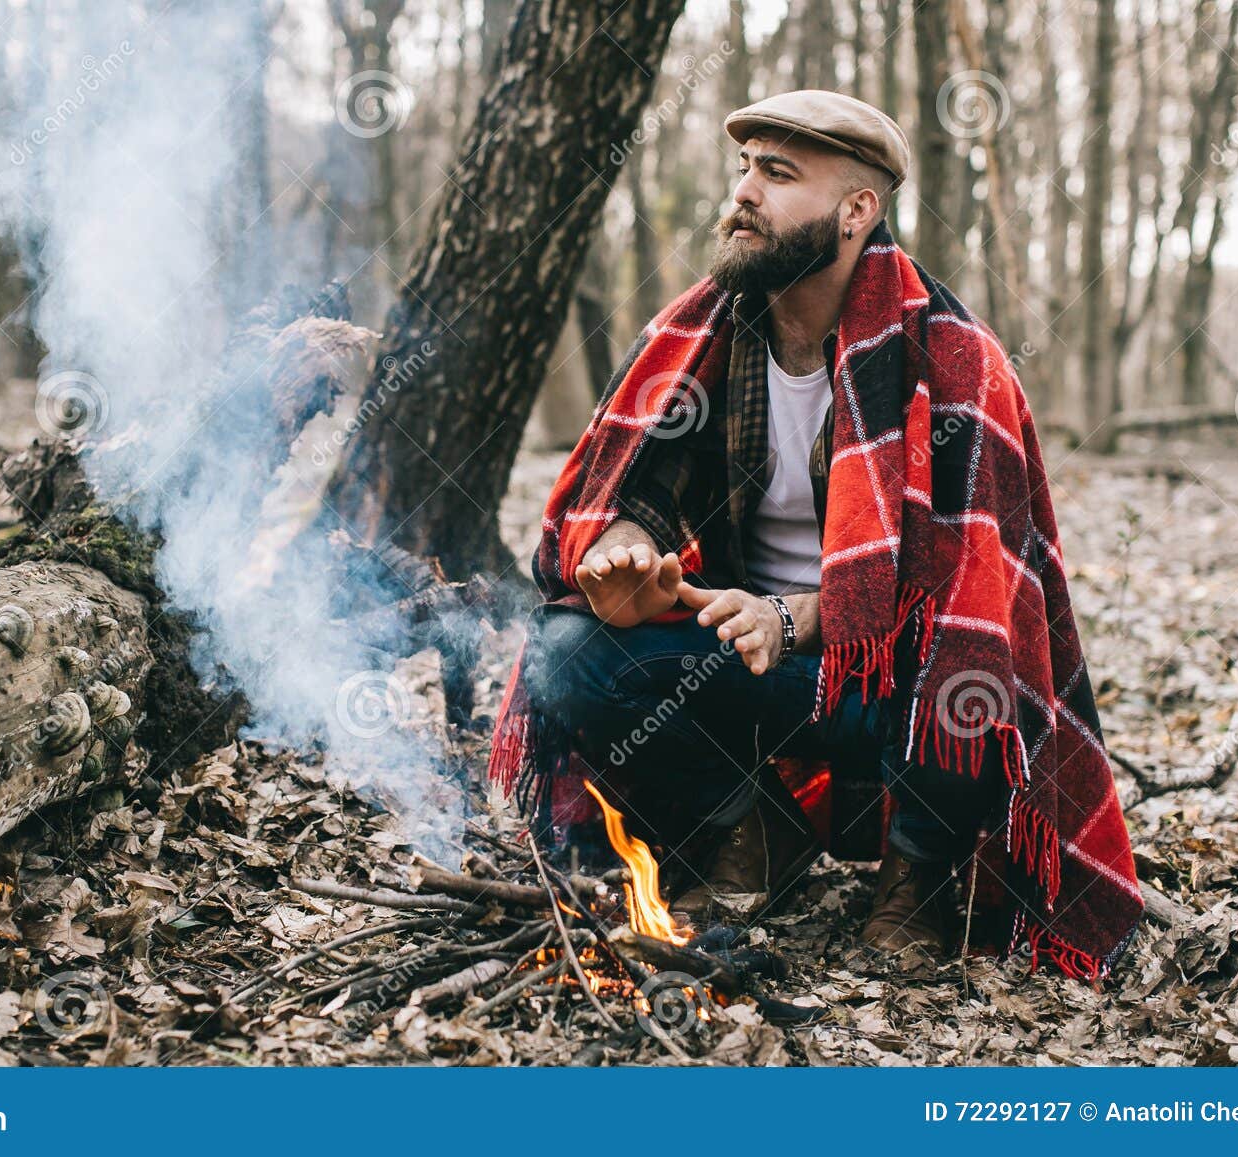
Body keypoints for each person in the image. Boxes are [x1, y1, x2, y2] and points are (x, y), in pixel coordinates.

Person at [488, 91, 1143, 977]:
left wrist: (793, 617)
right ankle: (751, 825)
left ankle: (916, 876)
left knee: (975, 676)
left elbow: (973, 602)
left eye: (778, 173)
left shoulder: (955, 361)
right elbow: (640, 489)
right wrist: (623, 552)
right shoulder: (701, 335)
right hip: (744, 656)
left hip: (898, 688)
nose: (743, 192)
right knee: (566, 652)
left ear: (856, 210)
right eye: (744, 168)